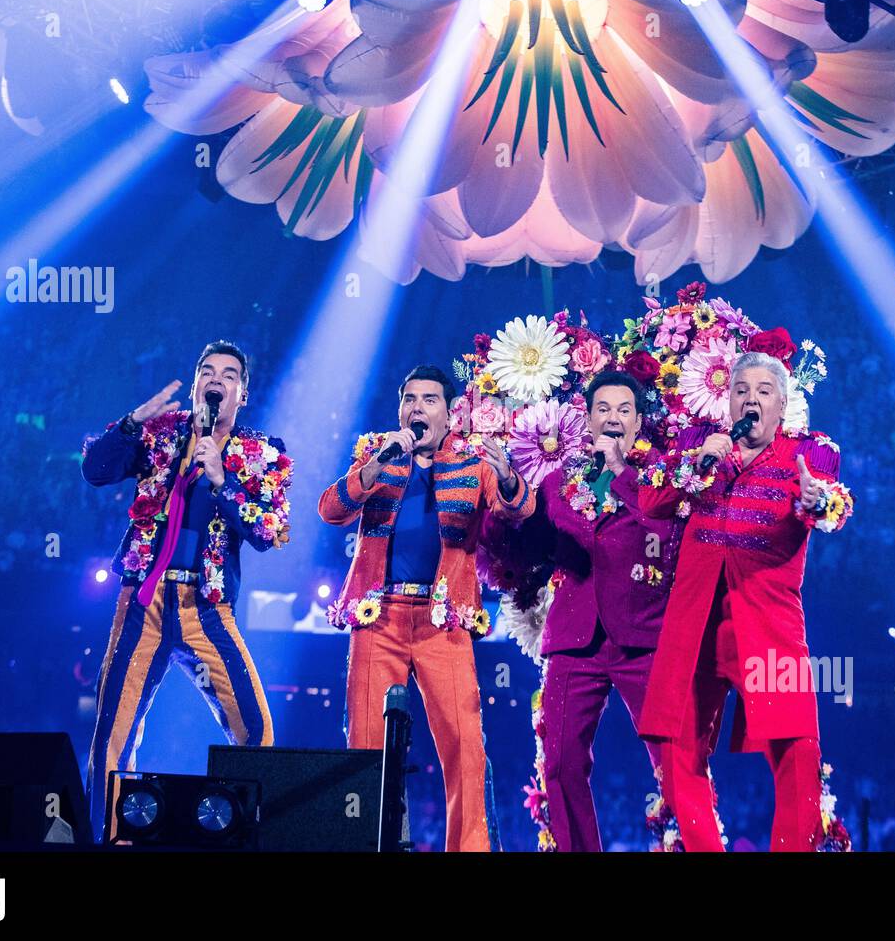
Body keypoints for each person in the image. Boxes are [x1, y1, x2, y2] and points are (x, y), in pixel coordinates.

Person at [636, 349, 854, 851]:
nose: (750, 399)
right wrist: (699, 461)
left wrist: (817, 500)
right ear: (727, 401)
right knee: (675, 748)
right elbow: (651, 501)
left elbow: (834, 503)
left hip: (769, 622)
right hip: (696, 624)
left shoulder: (809, 452)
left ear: (782, 404)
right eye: (740, 390)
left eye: (763, 391)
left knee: (798, 750)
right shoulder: (702, 448)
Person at [318, 364, 535, 852]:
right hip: (379, 619)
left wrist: (507, 478)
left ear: (449, 412)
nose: (417, 408)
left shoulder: (473, 463)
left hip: (443, 623)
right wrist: (373, 467)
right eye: (409, 399)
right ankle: (366, 845)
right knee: (368, 748)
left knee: (465, 748)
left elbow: (518, 513)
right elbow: (331, 510)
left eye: (428, 400)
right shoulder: (378, 458)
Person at [81, 341, 291, 842]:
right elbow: (95, 470)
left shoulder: (260, 453)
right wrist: (131, 422)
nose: (216, 380)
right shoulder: (159, 435)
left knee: (256, 734)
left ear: (243, 393)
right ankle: (109, 839)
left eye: (229, 375)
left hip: (206, 608)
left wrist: (223, 481)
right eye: (207, 371)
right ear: (197, 383)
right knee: (111, 737)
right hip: (144, 605)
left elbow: (268, 531)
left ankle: (243, 837)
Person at [514, 370, 684, 851]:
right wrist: (510, 490)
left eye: (624, 410)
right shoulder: (557, 482)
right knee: (562, 761)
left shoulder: (659, 479)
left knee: (674, 758)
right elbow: (532, 544)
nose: (613, 419)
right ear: (587, 420)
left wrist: (623, 475)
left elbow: (662, 530)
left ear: (639, 422)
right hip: (575, 639)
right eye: (603, 410)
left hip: (643, 637)